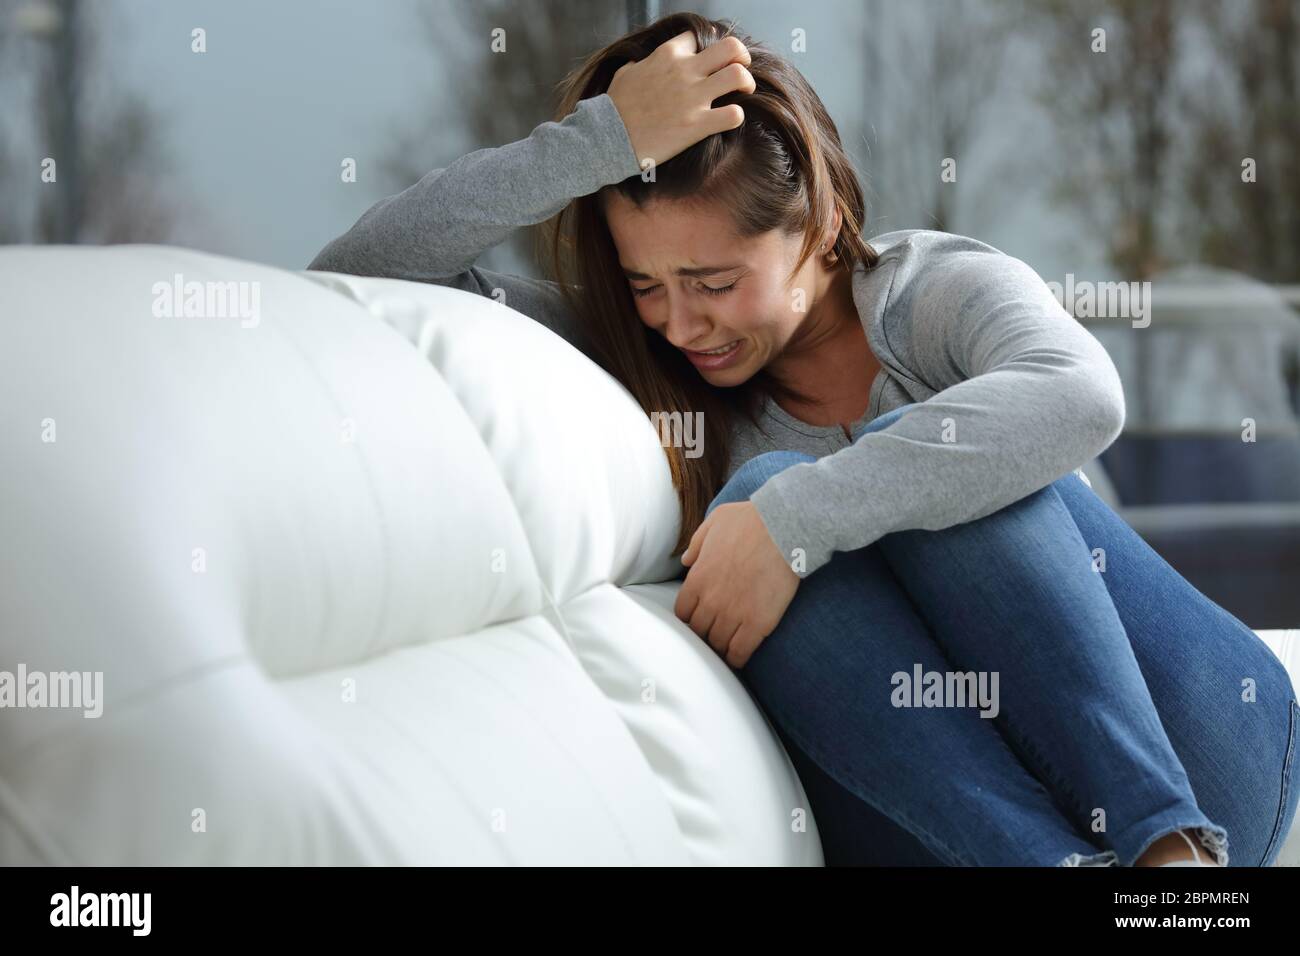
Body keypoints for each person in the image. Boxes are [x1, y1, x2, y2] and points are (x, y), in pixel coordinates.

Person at [308, 12, 1299, 866]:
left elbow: (1081, 395)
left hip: (1193, 753)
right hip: (971, 829)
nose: (680, 324)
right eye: (648, 284)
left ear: (820, 223)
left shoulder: (930, 292)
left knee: (893, 458)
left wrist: (794, 519)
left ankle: (1171, 862)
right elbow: (360, 271)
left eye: (712, 281)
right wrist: (592, 144)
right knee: (764, 499)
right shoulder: (629, 357)